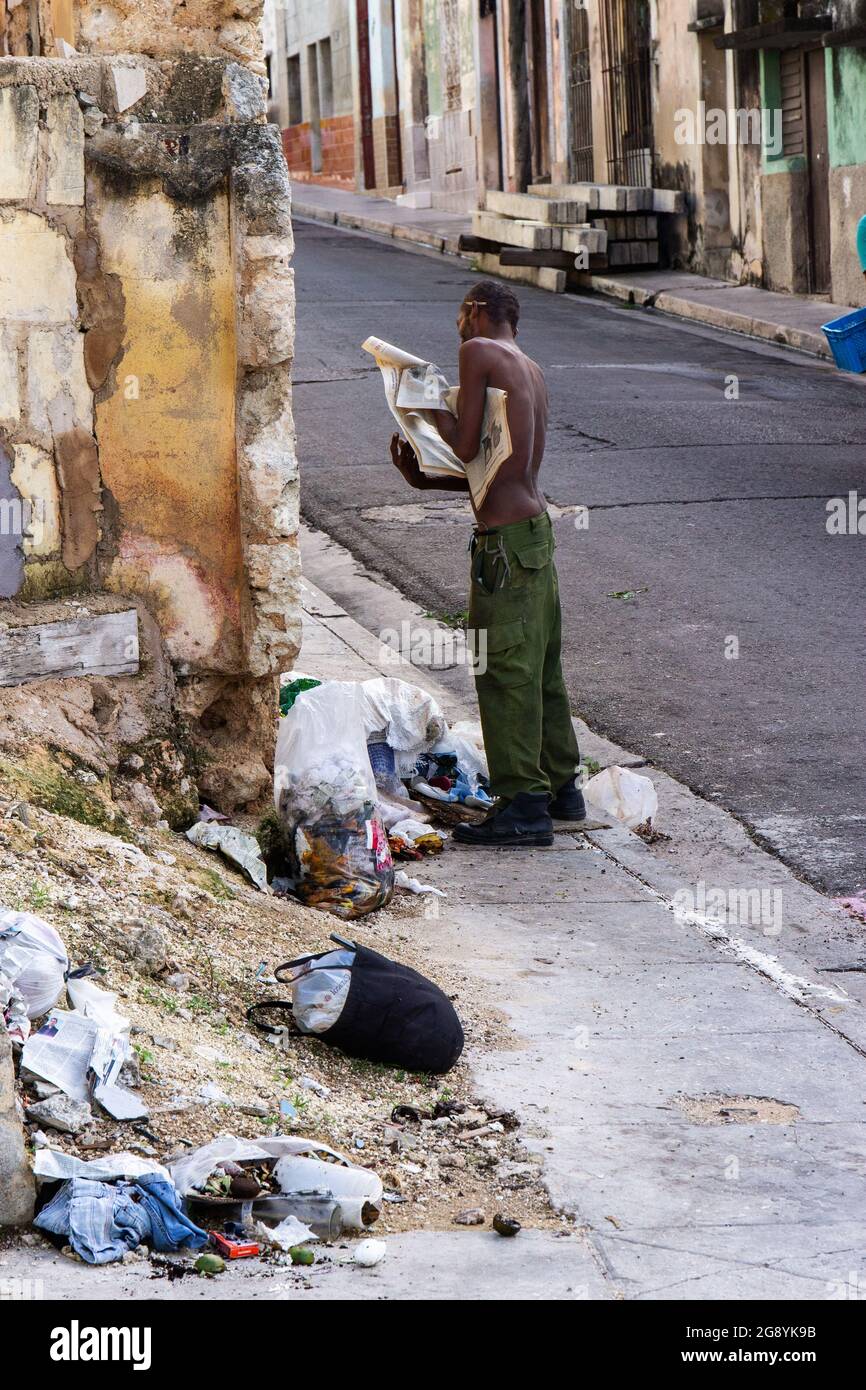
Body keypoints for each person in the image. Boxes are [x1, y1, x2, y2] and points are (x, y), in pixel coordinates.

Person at [389, 279, 583, 848]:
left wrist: (420, 399)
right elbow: (494, 467)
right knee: (541, 668)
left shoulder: (477, 352)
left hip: (505, 546)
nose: (459, 329)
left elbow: (468, 445)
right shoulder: (529, 366)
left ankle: (524, 806)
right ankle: (561, 789)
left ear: (474, 312)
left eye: (460, 316)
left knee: (502, 671)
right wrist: (419, 476)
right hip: (533, 531)